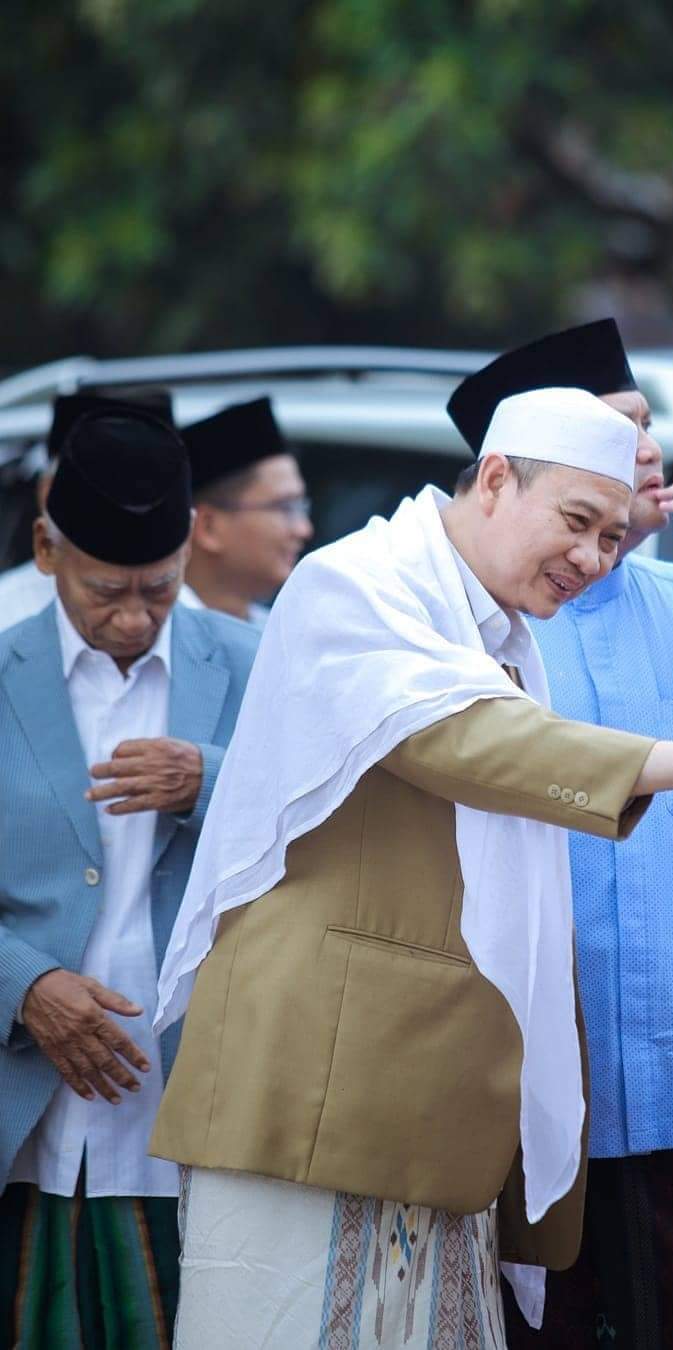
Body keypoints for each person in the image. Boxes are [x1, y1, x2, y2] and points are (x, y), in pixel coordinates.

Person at [149, 387, 673, 1350]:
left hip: (434, 1108)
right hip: (314, 1091)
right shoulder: (355, 586)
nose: (592, 558)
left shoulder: (493, 628)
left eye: (614, 538)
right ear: (495, 478)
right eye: (577, 522)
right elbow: (468, 741)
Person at [447, 320, 673, 1349]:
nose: (647, 451)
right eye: (617, 431)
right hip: (531, 1096)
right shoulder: (485, 623)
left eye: (648, 425)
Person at [0, 407, 259, 1347]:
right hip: (26, 1100)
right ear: (44, 547)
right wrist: (25, 986)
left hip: (197, 1093)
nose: (134, 616)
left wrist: (212, 780)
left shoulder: (253, 666)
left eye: (159, 588)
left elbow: (335, 825)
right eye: (107, 590)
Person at [0, 387, 184, 632]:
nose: (133, 623)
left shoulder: (202, 619)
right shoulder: (8, 613)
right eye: (106, 591)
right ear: (49, 493)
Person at [180, 396, 312, 625]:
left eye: (301, 507)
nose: (304, 530)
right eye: (284, 507)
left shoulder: (280, 633)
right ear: (209, 526)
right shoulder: (154, 640)